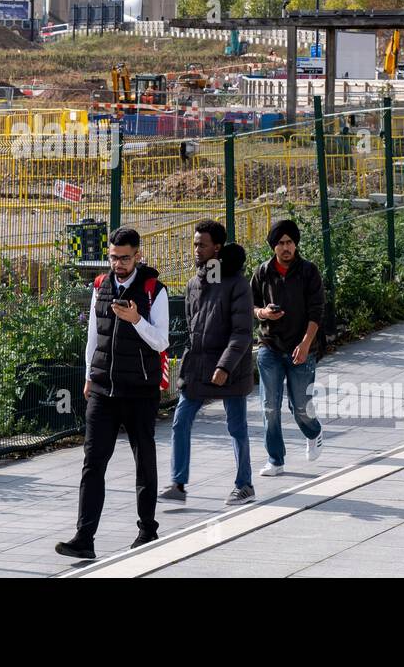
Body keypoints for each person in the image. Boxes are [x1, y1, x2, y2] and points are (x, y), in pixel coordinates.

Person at [56, 226, 169, 560]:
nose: (118, 264)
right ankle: (84, 538)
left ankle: (147, 529)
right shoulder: (100, 285)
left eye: (124, 258)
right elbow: (94, 333)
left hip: (140, 391)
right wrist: (90, 374)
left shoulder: (153, 290)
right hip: (104, 390)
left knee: (143, 460)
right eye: (113, 257)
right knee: (93, 463)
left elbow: (162, 342)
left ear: (138, 256)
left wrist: (136, 319)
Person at [159, 221, 254, 508]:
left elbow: (242, 333)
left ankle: (244, 484)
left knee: (236, 426)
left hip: (231, 368)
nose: (196, 249)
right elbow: (192, 329)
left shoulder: (237, 285)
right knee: (181, 420)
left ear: (218, 247)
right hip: (198, 366)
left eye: (202, 244)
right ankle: (178, 483)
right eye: (195, 243)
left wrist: (225, 366)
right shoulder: (193, 284)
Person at [251, 219, 324, 477]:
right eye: (281, 243)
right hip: (269, 347)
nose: (285, 247)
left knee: (301, 407)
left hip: (301, 348)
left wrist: (305, 344)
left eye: (289, 242)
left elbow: (317, 312)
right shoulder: (262, 272)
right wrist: (263, 314)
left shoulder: (308, 271)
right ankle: (276, 460)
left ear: (296, 244)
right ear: (273, 246)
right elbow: (253, 305)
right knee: (269, 407)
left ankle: (314, 432)